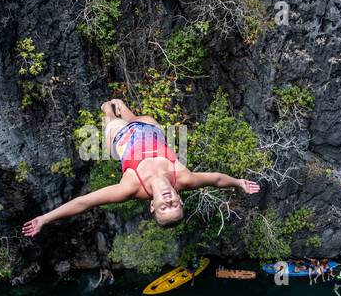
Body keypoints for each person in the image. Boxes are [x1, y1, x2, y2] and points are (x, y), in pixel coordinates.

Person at [22, 97, 260, 236]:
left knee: (110, 115)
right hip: (149, 128)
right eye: (174, 205)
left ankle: (107, 108)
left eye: (164, 208)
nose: (168, 202)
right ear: (179, 198)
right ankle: (119, 103)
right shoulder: (184, 178)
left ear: (153, 207)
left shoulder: (131, 187)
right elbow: (217, 179)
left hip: (121, 138)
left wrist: (45, 218)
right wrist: (238, 182)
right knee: (129, 112)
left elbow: (85, 202)